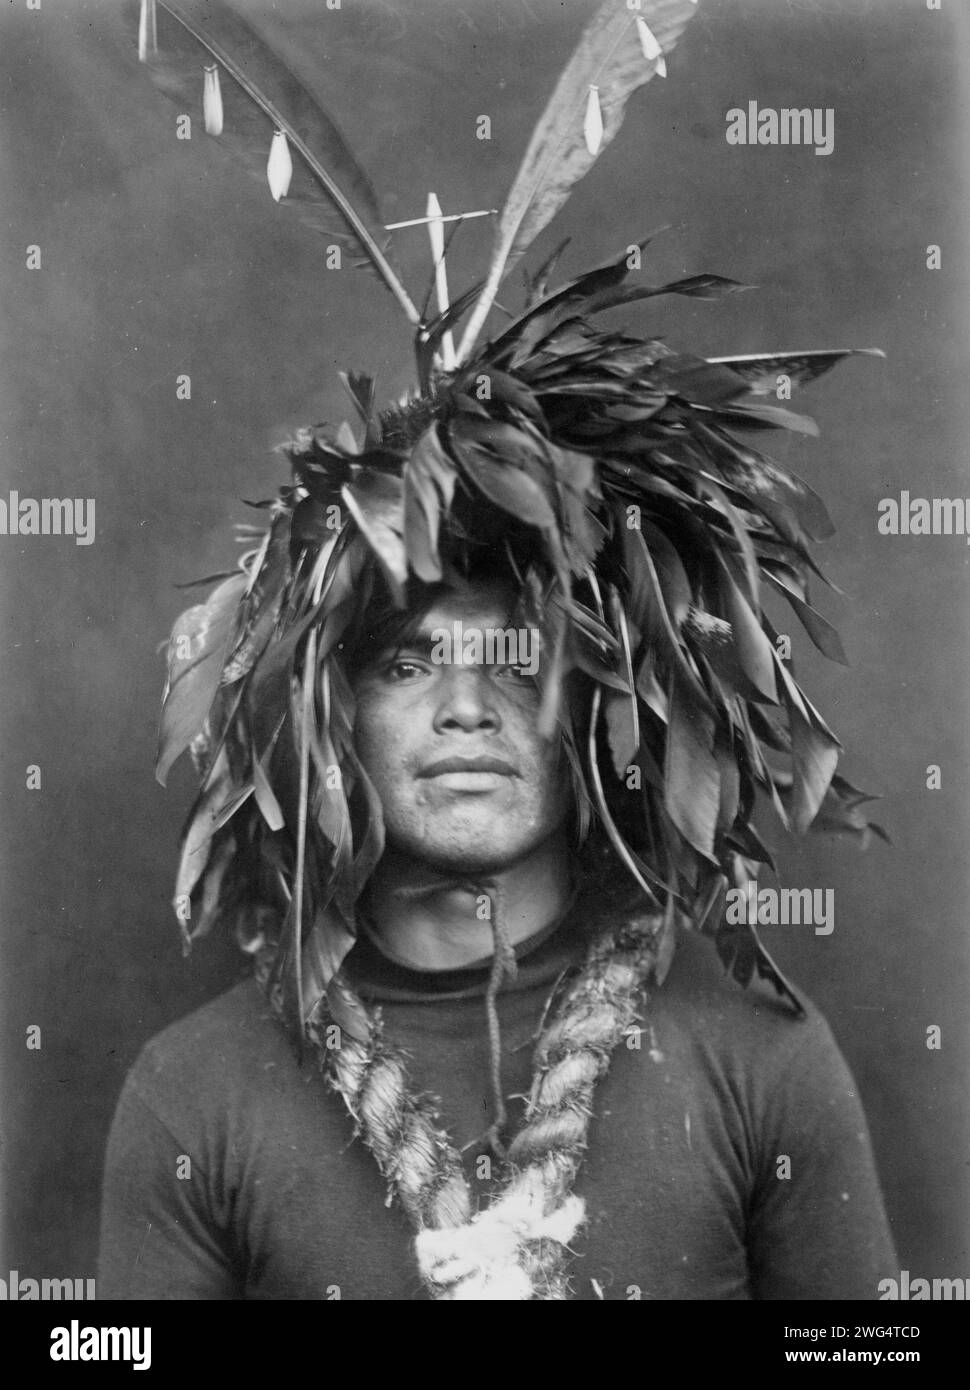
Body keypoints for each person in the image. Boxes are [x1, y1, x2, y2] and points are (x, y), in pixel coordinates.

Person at [100, 0, 897, 1301]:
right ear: (327, 710)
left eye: (517, 656)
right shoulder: (191, 1095)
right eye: (408, 662)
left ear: (599, 699)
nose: (467, 704)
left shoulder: (760, 1060)